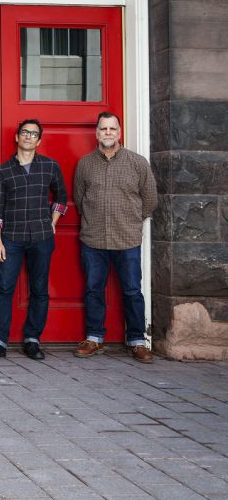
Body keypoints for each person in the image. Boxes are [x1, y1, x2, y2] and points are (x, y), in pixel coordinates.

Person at [73, 112, 158, 363]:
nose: (107, 132)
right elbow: (80, 199)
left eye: (112, 128)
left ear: (119, 132)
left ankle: (137, 341)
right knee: (93, 289)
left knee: (132, 291)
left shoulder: (137, 162)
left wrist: (131, 221)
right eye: (103, 128)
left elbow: (150, 199)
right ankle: (94, 338)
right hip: (93, 239)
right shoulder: (85, 164)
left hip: (127, 239)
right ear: (96, 133)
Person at [0, 119, 68, 362]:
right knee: (4, 289)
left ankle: (33, 339)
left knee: (39, 290)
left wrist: (53, 221)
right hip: (11, 238)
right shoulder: (2, 172)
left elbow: (62, 196)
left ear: (39, 141)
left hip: (42, 237)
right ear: (17, 137)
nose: (29, 136)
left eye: (34, 134)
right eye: (25, 132)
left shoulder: (50, 167)